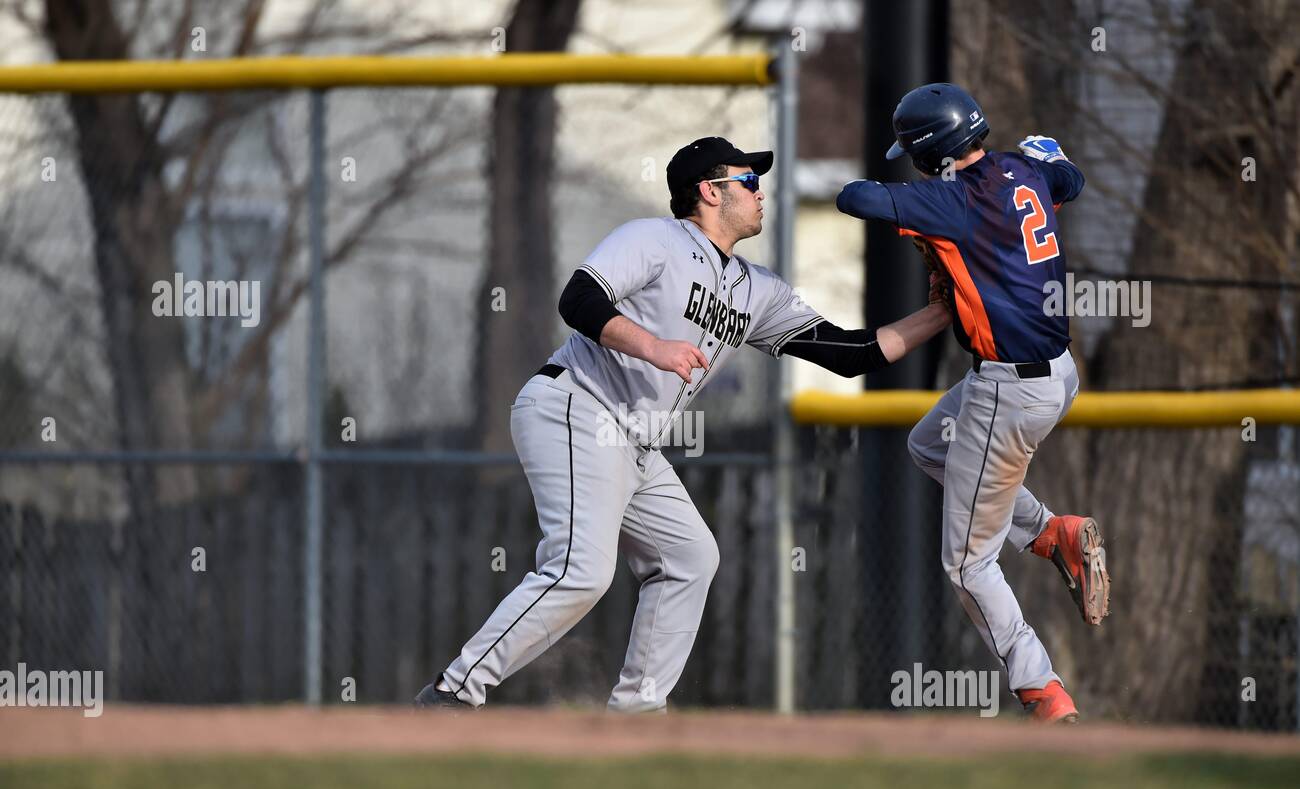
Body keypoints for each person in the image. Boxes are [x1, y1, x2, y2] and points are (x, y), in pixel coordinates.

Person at [416, 136, 951, 712]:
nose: (759, 192)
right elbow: (579, 299)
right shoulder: (655, 239)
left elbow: (851, 353)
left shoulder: (758, 289)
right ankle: (453, 691)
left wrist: (944, 311)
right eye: (748, 181)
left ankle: (637, 712)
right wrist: (653, 346)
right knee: (581, 570)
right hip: (576, 407)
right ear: (709, 190)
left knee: (690, 557)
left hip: (636, 443)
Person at [836, 83, 1110, 724]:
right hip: (1057, 372)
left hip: (1008, 389)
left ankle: (1043, 692)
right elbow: (1069, 179)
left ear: (934, 156)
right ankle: (1051, 532)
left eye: (913, 154)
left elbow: (855, 196)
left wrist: (930, 211)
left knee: (966, 563)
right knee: (928, 442)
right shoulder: (1025, 169)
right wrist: (1046, 158)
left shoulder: (953, 199)